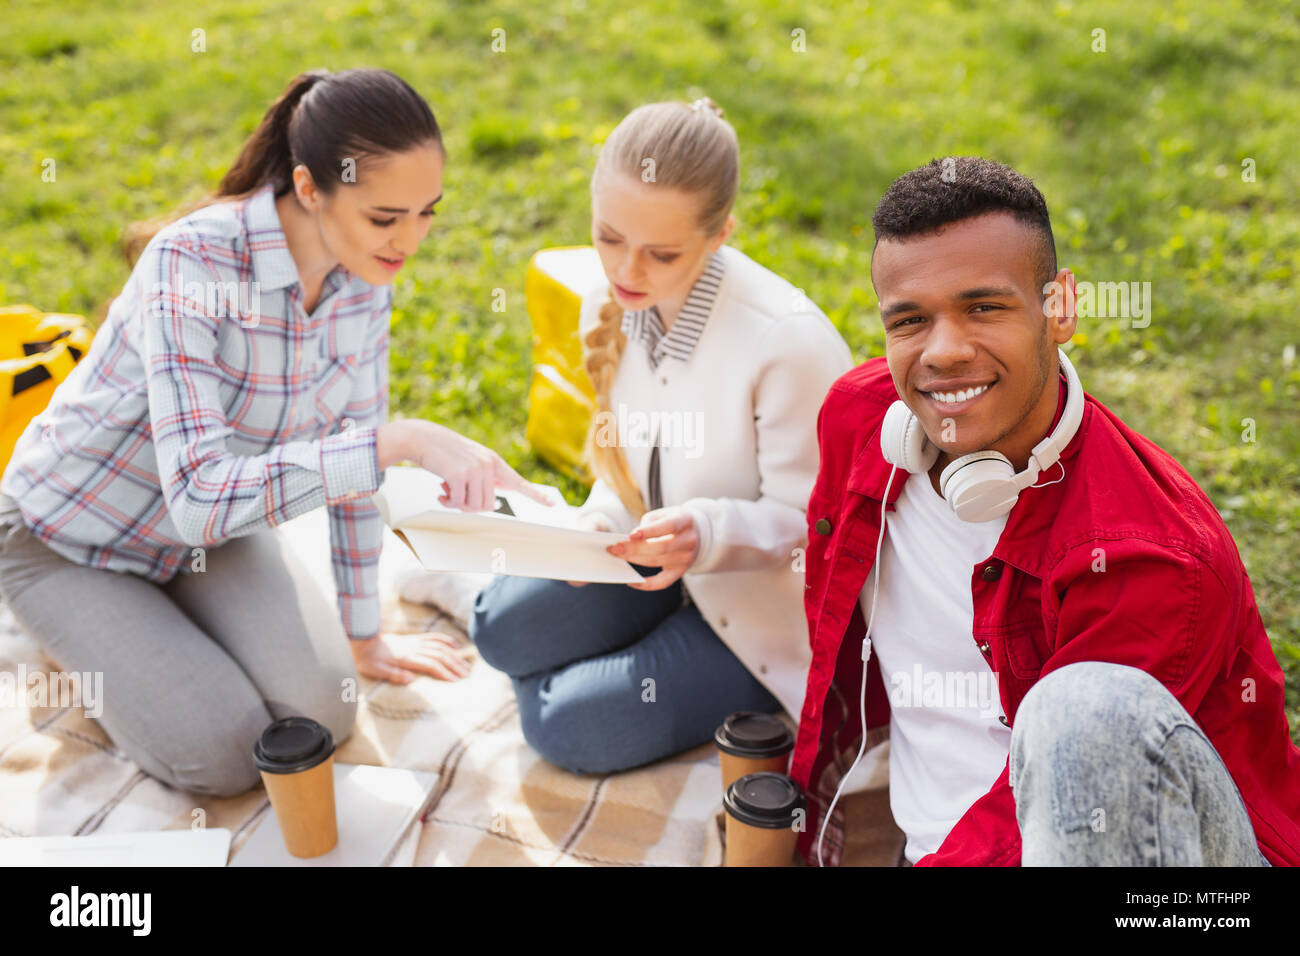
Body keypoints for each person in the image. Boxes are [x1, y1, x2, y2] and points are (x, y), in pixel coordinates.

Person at [0, 68, 550, 798]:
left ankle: (162, 628)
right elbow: (201, 496)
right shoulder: (192, 262)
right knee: (224, 758)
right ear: (309, 187)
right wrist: (396, 444)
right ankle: (87, 636)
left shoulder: (363, 279)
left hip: (211, 538)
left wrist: (363, 632)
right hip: (68, 538)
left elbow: (356, 471)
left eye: (427, 213)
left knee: (325, 713)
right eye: (386, 217)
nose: (410, 240)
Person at [791, 155, 1300, 866]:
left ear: (1059, 308)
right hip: (945, 848)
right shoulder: (859, 420)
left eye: (983, 308)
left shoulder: (1151, 557)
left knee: (1081, 711)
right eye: (910, 320)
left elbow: (1085, 810)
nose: (944, 351)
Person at [465, 97, 854, 774]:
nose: (626, 272)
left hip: (755, 614)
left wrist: (704, 535)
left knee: (567, 724)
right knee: (499, 629)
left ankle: (610, 673)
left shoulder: (787, 344)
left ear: (721, 233)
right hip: (649, 563)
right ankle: (609, 654)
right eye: (609, 237)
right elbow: (630, 472)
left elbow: (818, 525)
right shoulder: (611, 301)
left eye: (662, 253)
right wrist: (598, 522)